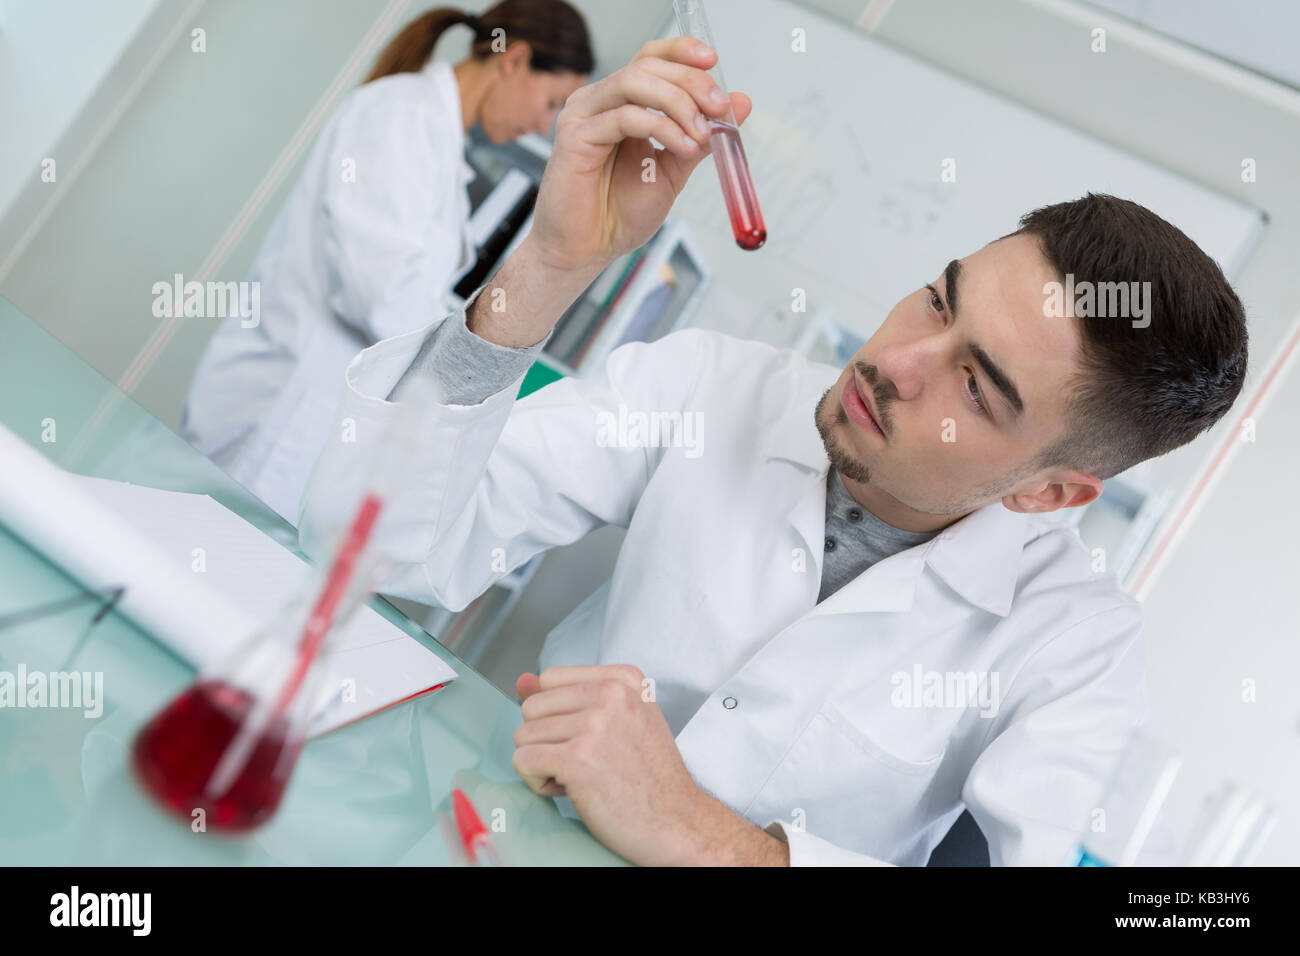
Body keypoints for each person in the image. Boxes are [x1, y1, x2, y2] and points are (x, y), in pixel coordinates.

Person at [298, 37, 1248, 866]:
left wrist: (705, 839)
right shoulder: (715, 387)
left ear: (1049, 494)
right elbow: (363, 544)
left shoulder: (1075, 644)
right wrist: (551, 264)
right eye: (937, 298)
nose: (897, 362)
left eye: (974, 386)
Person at [180, 2, 593, 522]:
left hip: (304, 430)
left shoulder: (434, 140)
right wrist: (467, 368)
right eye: (551, 100)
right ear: (514, 59)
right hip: (274, 420)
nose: (544, 123)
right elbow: (380, 295)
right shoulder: (401, 115)